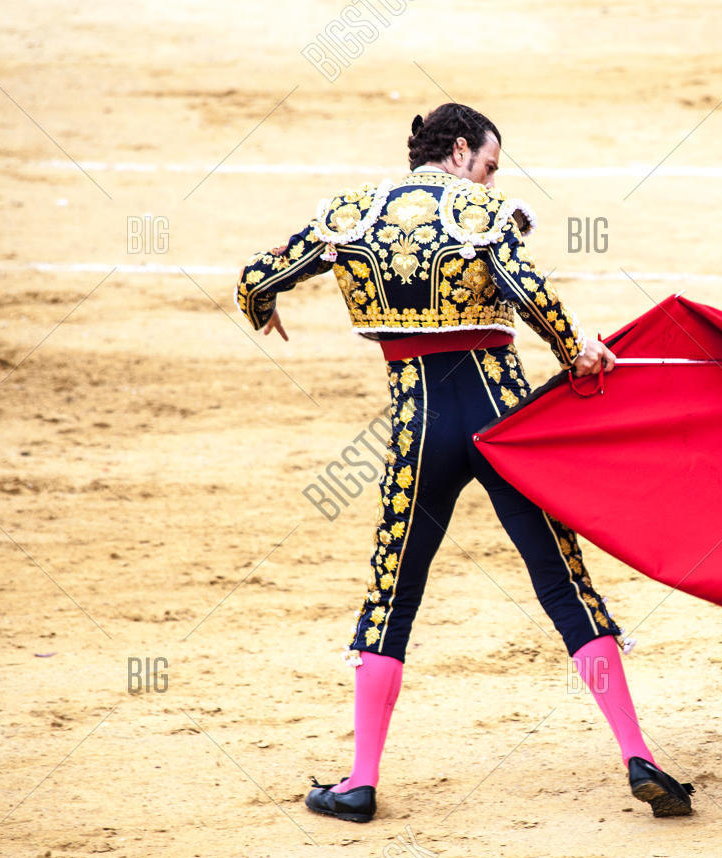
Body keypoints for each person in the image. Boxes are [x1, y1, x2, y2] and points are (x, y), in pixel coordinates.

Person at [236, 102, 693, 821]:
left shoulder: (351, 215)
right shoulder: (480, 212)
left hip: (417, 428)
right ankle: (638, 754)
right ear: (457, 151)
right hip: (502, 424)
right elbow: (529, 293)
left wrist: (260, 307)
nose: (490, 180)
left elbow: (257, 275)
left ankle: (360, 782)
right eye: (488, 165)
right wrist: (577, 350)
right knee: (563, 582)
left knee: (391, 595)